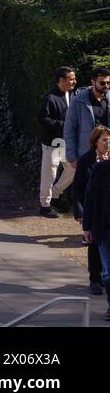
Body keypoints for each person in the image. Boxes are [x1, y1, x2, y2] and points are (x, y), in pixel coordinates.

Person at [72, 125, 110, 297]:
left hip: (106, 211)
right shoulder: (87, 160)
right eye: (104, 140)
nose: (107, 144)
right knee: (94, 245)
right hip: (93, 210)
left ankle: (105, 276)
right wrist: (80, 212)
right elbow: (78, 188)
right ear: (96, 142)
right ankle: (94, 278)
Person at [38, 66, 78, 217]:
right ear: (62, 80)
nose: (75, 81)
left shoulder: (72, 93)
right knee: (49, 173)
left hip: (66, 141)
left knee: (73, 169)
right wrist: (63, 125)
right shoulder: (49, 98)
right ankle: (45, 205)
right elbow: (42, 119)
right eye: (72, 79)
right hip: (52, 143)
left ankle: (54, 194)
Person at [80, 129, 110, 320]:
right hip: (104, 227)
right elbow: (89, 199)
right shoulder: (100, 169)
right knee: (108, 272)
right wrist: (87, 226)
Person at [64, 67, 110, 185]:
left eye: (109, 83)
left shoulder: (108, 99)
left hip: (107, 153)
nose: (106, 86)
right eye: (102, 83)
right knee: (87, 188)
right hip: (86, 154)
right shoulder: (79, 101)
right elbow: (69, 129)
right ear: (93, 81)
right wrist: (72, 157)